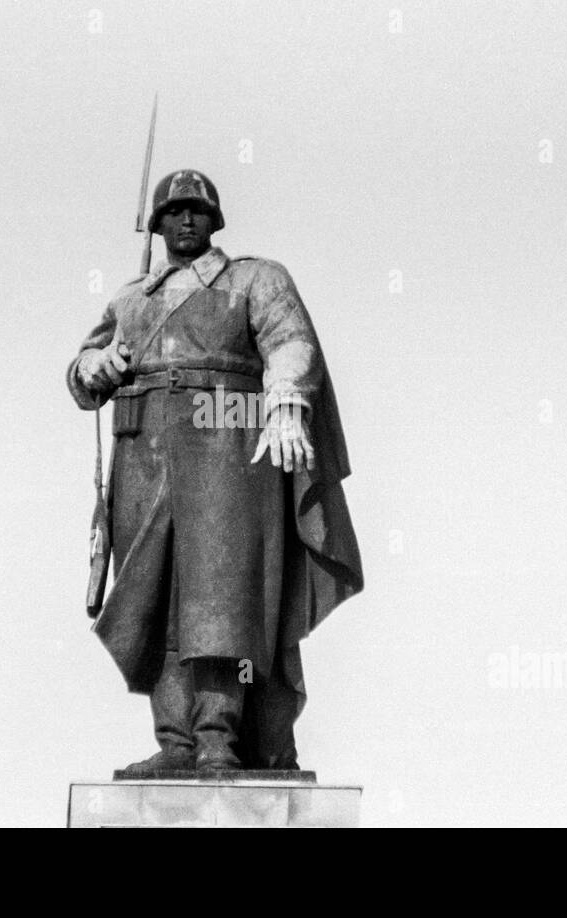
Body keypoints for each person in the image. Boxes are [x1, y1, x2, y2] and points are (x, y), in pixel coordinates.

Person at [66, 169, 363, 776]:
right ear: (156, 223)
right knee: (152, 598)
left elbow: (290, 341)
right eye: (172, 212)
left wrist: (284, 400)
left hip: (226, 450)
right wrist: (95, 364)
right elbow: (82, 371)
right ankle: (176, 743)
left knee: (221, 598)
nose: (184, 221)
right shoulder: (131, 298)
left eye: (196, 211)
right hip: (143, 452)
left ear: (215, 219)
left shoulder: (255, 277)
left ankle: (216, 739)